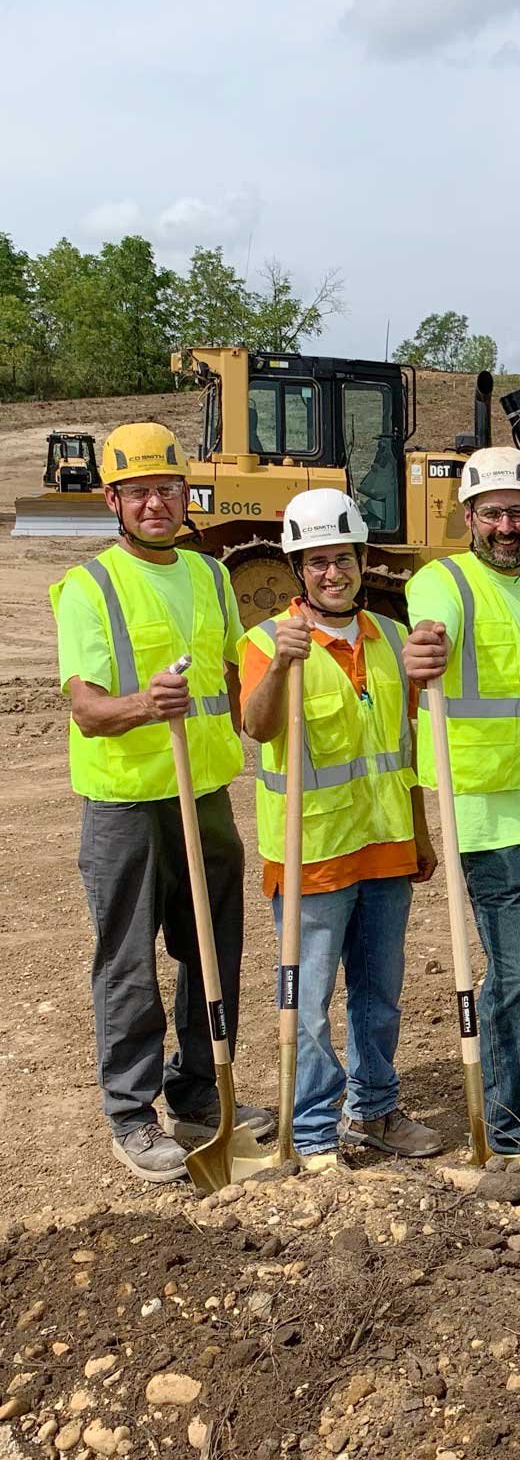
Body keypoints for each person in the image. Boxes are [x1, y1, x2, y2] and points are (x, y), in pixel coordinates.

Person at [51, 421, 273, 1184]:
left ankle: (202, 1090)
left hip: (205, 795)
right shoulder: (90, 586)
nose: (155, 502)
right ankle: (131, 1112)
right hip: (125, 804)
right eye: (139, 490)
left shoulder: (212, 576)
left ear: (187, 493)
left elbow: (239, 676)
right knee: (128, 961)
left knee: (211, 950)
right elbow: (86, 710)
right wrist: (146, 705)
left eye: (167, 487)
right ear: (112, 499)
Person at [238, 488, 443, 1169]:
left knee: (380, 994)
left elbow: (402, 749)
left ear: (362, 560)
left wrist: (419, 832)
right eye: (318, 561)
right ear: (298, 569)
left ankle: (375, 1108)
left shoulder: (388, 637)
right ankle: (316, 1127)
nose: (334, 573)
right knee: (310, 1001)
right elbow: (257, 727)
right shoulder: (267, 641)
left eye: (344, 558)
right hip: (312, 856)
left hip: (384, 852)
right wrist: (287, 666)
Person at [401, 448, 520, 1165]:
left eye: (519, 512)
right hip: (485, 812)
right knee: (518, 971)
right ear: (469, 517)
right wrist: (422, 652)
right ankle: (511, 1130)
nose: (508, 526)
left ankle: (510, 1095)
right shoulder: (443, 582)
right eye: (493, 513)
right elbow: (431, 633)